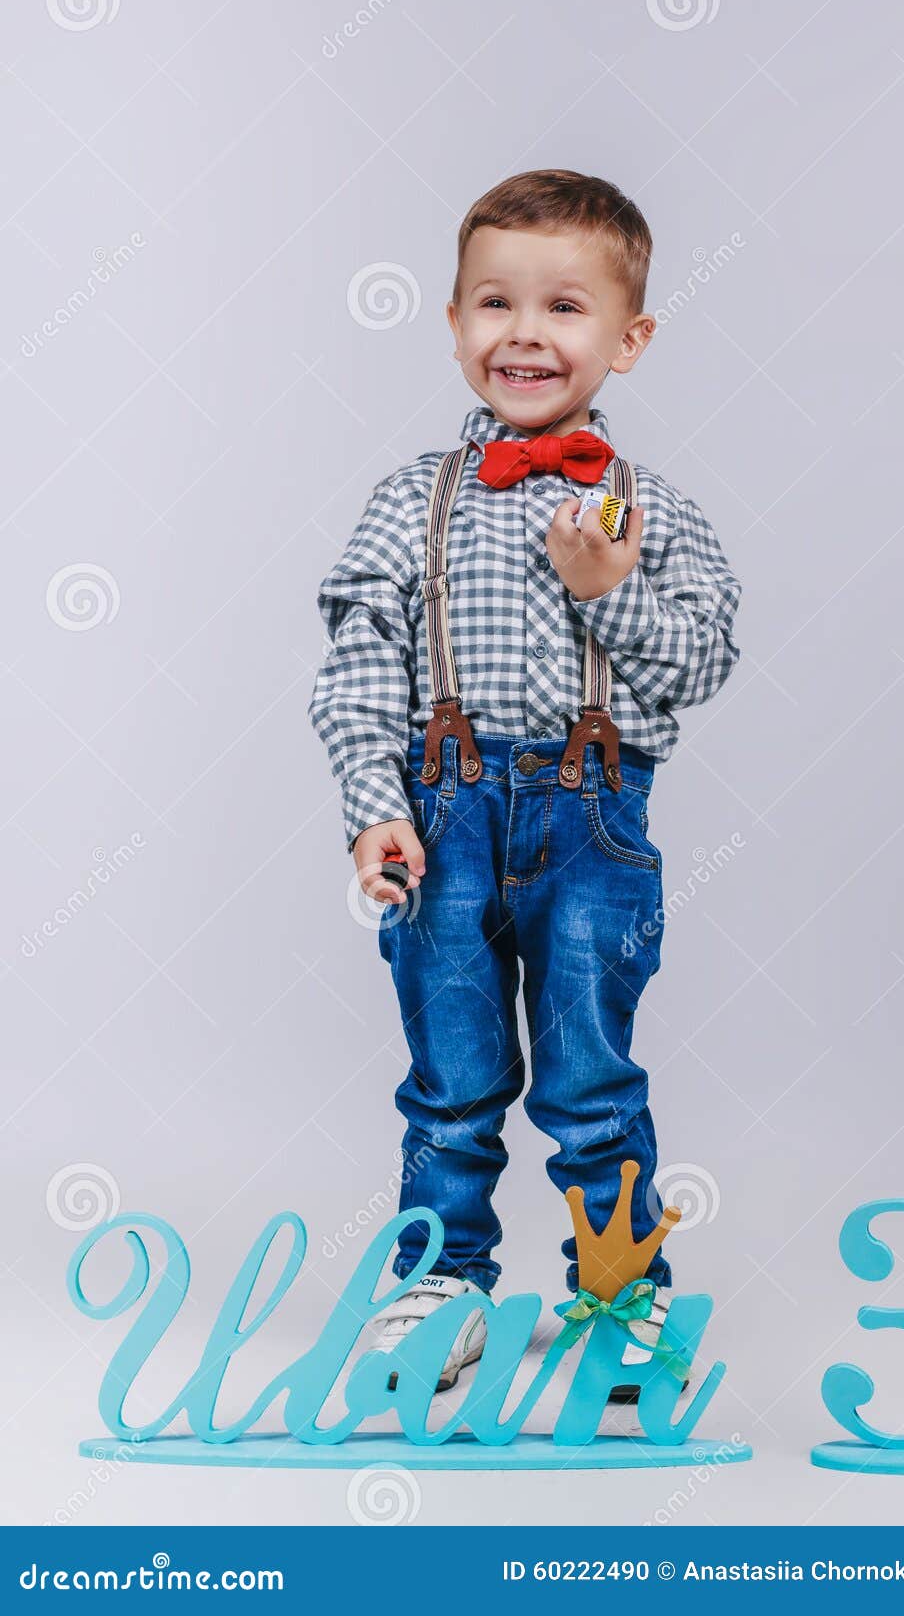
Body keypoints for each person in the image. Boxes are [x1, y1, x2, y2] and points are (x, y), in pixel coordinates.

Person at [309, 170, 742, 1398]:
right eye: (496, 302)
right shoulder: (413, 501)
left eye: (565, 306)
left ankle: (619, 1295)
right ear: (454, 325)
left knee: (588, 1076)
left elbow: (705, 660)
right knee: (449, 1078)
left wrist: (616, 588)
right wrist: (371, 805)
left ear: (628, 338)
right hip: (441, 815)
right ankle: (441, 1286)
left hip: (590, 818)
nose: (526, 333)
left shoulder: (648, 511)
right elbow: (352, 671)